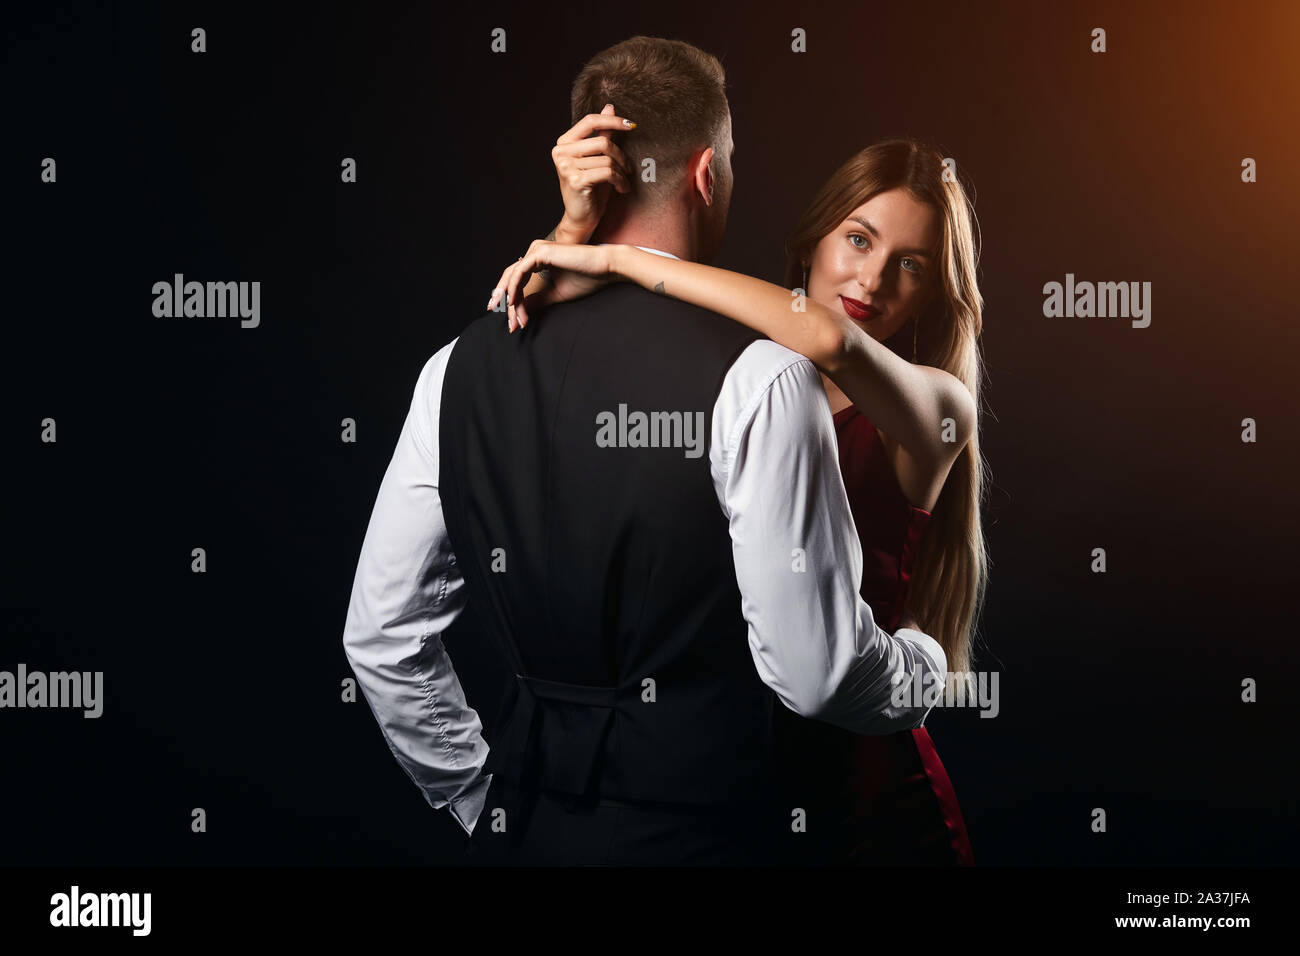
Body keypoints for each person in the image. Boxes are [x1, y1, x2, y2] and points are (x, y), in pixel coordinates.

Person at [340, 35, 949, 866]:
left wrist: (479, 798)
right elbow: (815, 675)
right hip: (714, 838)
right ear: (705, 174)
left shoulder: (454, 370)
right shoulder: (764, 381)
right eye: (729, 159)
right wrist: (922, 664)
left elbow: (380, 636)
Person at [492, 125, 988, 865]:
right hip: (736, 789)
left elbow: (829, 341)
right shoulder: (734, 372)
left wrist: (619, 258)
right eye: (858, 239)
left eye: (908, 265)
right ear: (818, 234)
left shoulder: (940, 409)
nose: (873, 280)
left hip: (873, 794)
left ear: (929, 295)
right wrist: (569, 234)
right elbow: (550, 372)